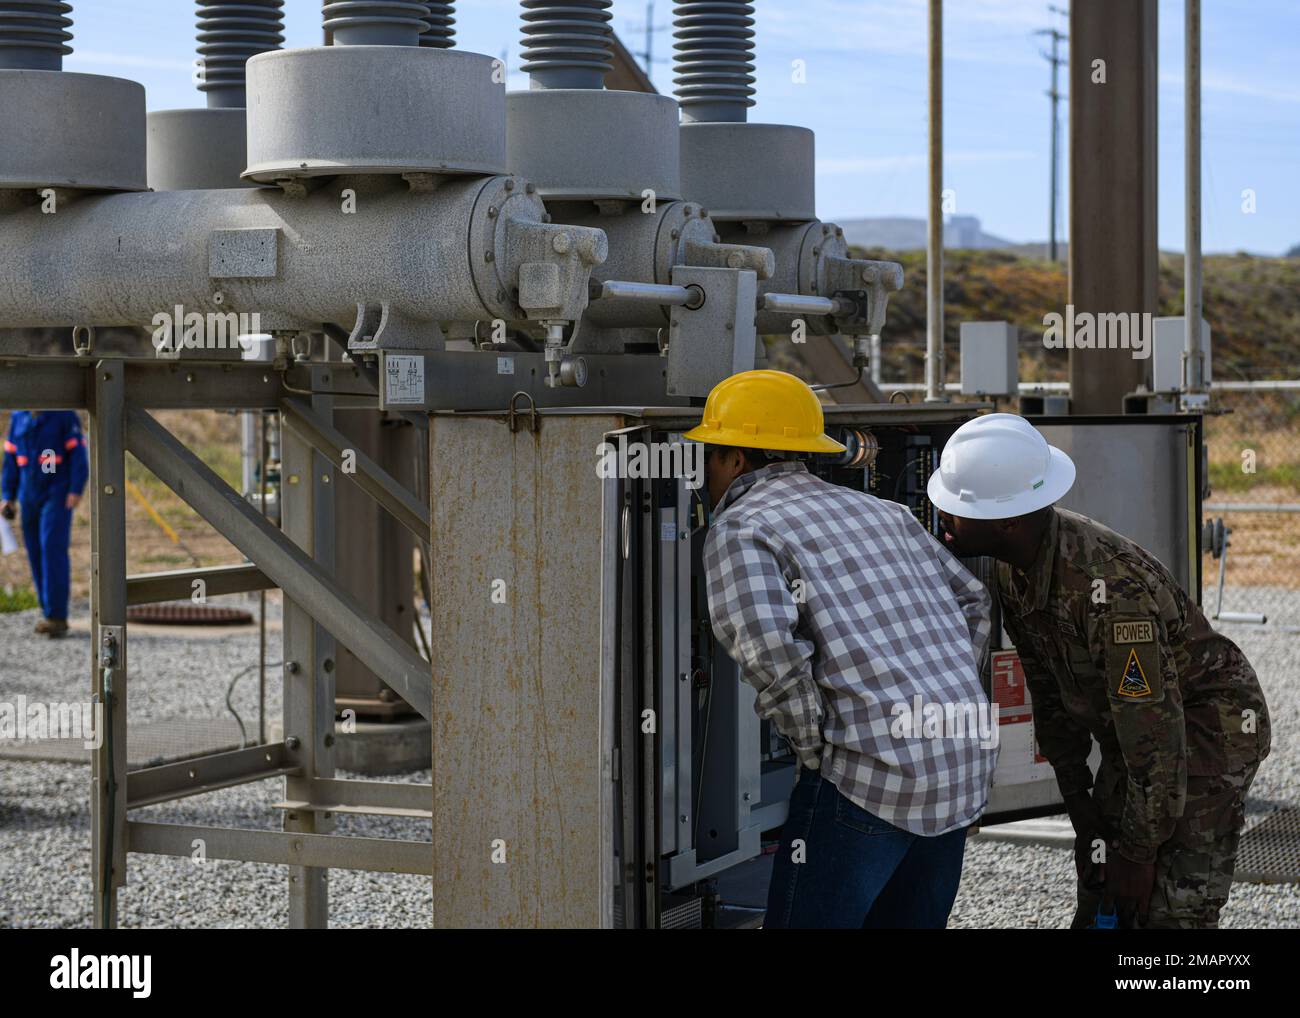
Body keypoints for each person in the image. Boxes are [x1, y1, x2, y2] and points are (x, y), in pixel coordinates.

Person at [929, 412, 1270, 929]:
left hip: (1204, 733)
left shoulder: (1111, 592)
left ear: (1008, 522)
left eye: (957, 509)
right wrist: (1083, 810)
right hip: (1135, 734)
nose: (943, 518)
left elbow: (1157, 737)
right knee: (1102, 886)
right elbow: (1046, 693)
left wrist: (1138, 853)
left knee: (1169, 910)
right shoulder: (1013, 568)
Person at [686, 369, 996, 929]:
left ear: (733, 459)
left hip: (869, 777)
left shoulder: (742, 528)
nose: (702, 475)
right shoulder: (885, 512)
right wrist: (952, 688)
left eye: (707, 456)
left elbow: (771, 651)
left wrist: (816, 752)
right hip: (961, 759)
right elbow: (975, 600)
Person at [1, 410, 88, 638]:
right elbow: (11, 458)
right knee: (35, 550)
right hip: (28, 494)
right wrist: (7, 494)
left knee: (52, 547)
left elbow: (78, 452)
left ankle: (57, 615)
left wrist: (76, 488)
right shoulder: (18, 418)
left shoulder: (63, 415)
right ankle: (46, 609)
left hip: (56, 493)